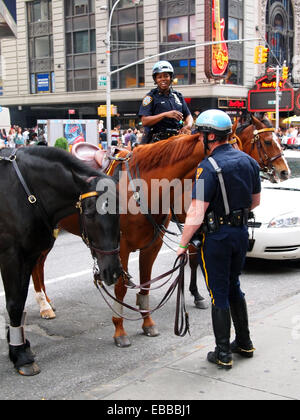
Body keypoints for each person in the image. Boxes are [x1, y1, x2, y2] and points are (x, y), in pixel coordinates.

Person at [177, 109, 261, 370]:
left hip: (218, 237)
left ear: (210, 136)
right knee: (234, 285)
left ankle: (223, 352)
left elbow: (196, 211)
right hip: (240, 234)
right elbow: (255, 202)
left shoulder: (207, 167)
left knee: (218, 294)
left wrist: (182, 245)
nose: (199, 139)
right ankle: (244, 343)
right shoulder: (248, 161)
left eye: (201, 135)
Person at [139, 60, 193, 144]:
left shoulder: (178, 96)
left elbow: (188, 116)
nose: (163, 79)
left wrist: (188, 126)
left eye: (166, 76)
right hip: (157, 142)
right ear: (155, 80)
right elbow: (144, 121)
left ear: (170, 77)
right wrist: (165, 115)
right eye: (159, 77)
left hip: (177, 139)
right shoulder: (150, 97)